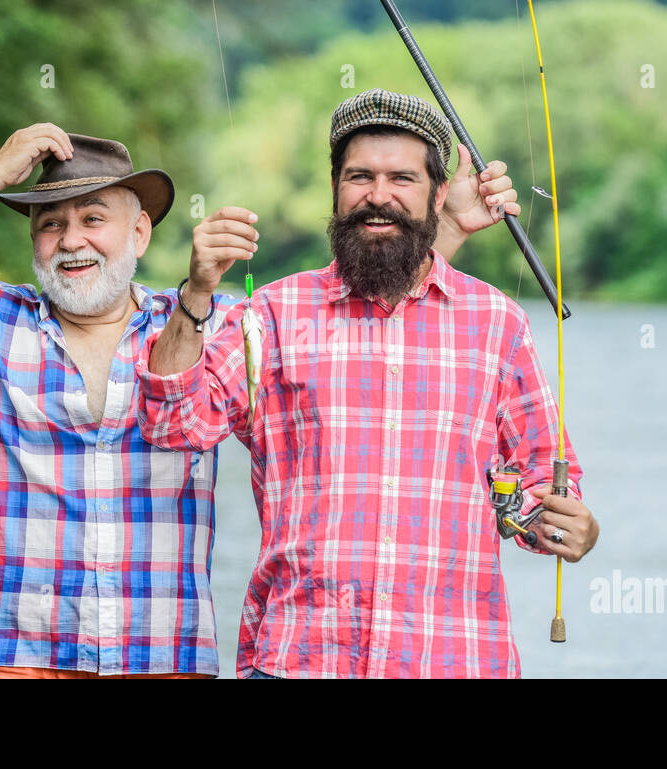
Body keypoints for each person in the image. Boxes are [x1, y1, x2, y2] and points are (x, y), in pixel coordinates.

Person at [136, 89, 600, 678]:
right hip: (298, 660)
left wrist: (567, 526)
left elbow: (541, 482)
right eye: (360, 176)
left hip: (454, 660)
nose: (378, 196)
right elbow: (171, 427)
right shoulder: (273, 314)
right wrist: (196, 293)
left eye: (402, 178)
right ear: (335, 188)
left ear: (436, 195)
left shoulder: (497, 323)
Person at [0, 125, 227, 678]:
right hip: (12, 657)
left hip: (160, 650)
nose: (71, 241)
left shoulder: (202, 324)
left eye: (93, 219)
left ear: (139, 232)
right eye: (52, 225)